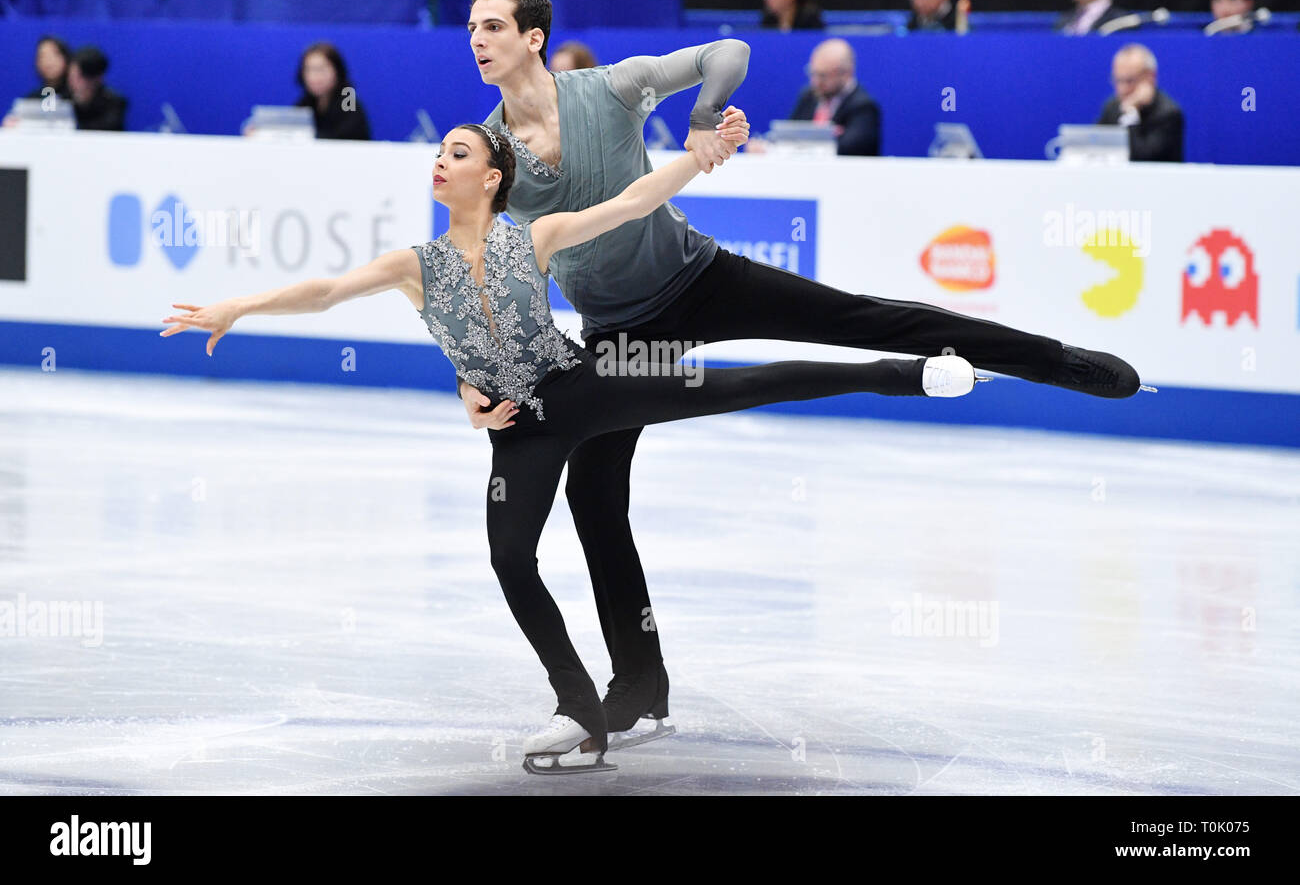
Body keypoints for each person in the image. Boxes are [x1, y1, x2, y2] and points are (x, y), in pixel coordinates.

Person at [158, 123, 982, 770]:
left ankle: (903, 373)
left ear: (492, 178)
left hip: (587, 383)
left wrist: (702, 156)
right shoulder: (414, 264)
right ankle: (579, 709)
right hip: (520, 430)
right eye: (437, 153)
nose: (439, 163)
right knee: (511, 560)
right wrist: (237, 305)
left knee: (735, 385)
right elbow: (326, 291)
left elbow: (631, 201)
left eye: (458, 152)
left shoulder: (534, 235)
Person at [464, 0, 1145, 752]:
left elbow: (729, 49)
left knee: (861, 318)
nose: (478, 41)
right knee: (593, 495)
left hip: (702, 279)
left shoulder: (611, 89)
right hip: (619, 333)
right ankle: (640, 685)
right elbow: (498, 274)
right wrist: (486, 378)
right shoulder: (491, 152)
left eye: (492, 26)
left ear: (533, 37)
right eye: (473, 30)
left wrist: (701, 118)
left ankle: (1050, 360)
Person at [789, 38, 881, 156]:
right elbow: (789, 135)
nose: (816, 82)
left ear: (847, 73)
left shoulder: (864, 106)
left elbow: (850, 148)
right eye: (813, 73)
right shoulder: (808, 96)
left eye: (823, 76)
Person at [1096, 43, 1184, 162]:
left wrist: (1131, 113)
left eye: (1129, 81)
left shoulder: (1168, 113)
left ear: (1150, 77)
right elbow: (1096, 148)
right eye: (1118, 80)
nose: (1122, 89)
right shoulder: (1112, 107)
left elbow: (1141, 158)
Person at [295, 42, 372, 141]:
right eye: (308, 69)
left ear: (337, 71)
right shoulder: (305, 103)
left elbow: (345, 138)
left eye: (321, 69)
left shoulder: (349, 103)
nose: (314, 76)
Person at [67, 46, 127, 132]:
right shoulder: (63, 99)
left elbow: (107, 130)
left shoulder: (114, 103)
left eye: (80, 76)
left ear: (97, 78)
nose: (73, 81)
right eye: (72, 75)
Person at [24, 35, 72, 101]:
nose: (48, 61)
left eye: (54, 54)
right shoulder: (31, 101)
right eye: (43, 56)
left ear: (66, 58)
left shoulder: (78, 99)